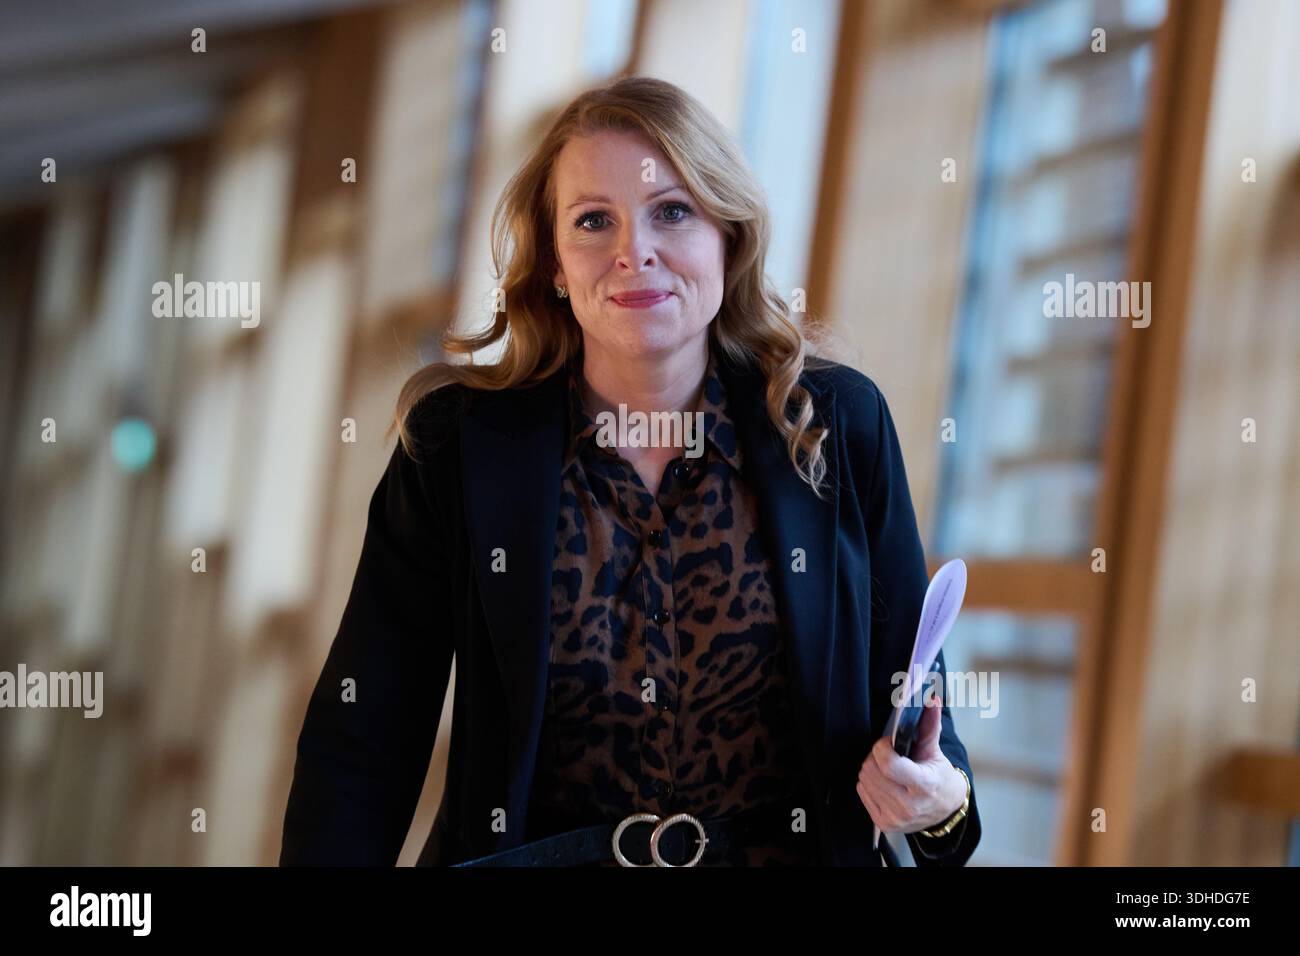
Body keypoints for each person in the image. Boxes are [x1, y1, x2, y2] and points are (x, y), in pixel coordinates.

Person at [280, 75, 980, 867]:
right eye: (592, 221)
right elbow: (366, 735)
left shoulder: (836, 425)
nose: (632, 252)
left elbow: (931, 758)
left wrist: (939, 806)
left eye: (671, 211)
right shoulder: (457, 448)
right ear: (553, 264)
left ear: (729, 236)